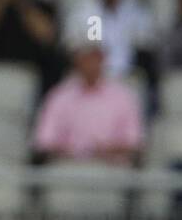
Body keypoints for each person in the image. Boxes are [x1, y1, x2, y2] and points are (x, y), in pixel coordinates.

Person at [33, 33, 144, 165]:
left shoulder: (123, 96)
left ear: (103, 58)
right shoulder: (58, 96)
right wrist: (74, 152)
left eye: (95, 56)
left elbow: (134, 143)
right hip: (68, 167)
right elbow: (44, 142)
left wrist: (106, 150)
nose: (90, 62)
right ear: (76, 60)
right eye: (85, 57)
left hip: (111, 167)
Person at [68, 0, 156, 80]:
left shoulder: (138, 13)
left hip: (129, 78)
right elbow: (74, 48)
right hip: (94, 78)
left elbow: (145, 47)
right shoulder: (85, 12)